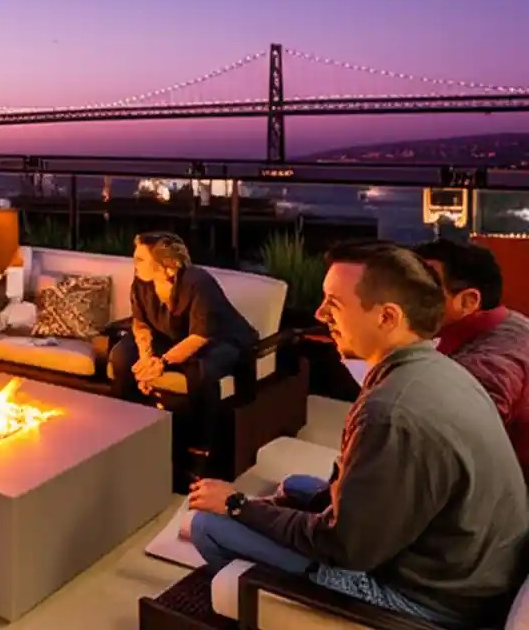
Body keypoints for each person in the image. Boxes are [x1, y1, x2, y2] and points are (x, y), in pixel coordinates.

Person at [187, 241, 528, 628]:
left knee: (209, 526)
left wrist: (238, 505)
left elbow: (344, 548)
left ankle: (267, 611)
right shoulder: (440, 368)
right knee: (297, 486)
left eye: (333, 303)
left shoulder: (391, 413)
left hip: (427, 599)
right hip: (462, 566)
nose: (319, 314)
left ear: (387, 317)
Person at [108, 232, 258, 474]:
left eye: (141, 259)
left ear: (168, 266)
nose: (134, 264)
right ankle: (132, 425)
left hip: (219, 339)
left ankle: (200, 448)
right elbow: (140, 323)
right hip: (171, 336)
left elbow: (199, 336)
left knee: (201, 368)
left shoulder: (198, 282)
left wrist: (161, 363)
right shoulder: (142, 281)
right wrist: (146, 358)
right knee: (121, 355)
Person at [415, 238, 529, 481]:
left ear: (468, 301)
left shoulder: (489, 361)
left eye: (422, 290)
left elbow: (450, 443)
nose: (403, 300)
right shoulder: (510, 322)